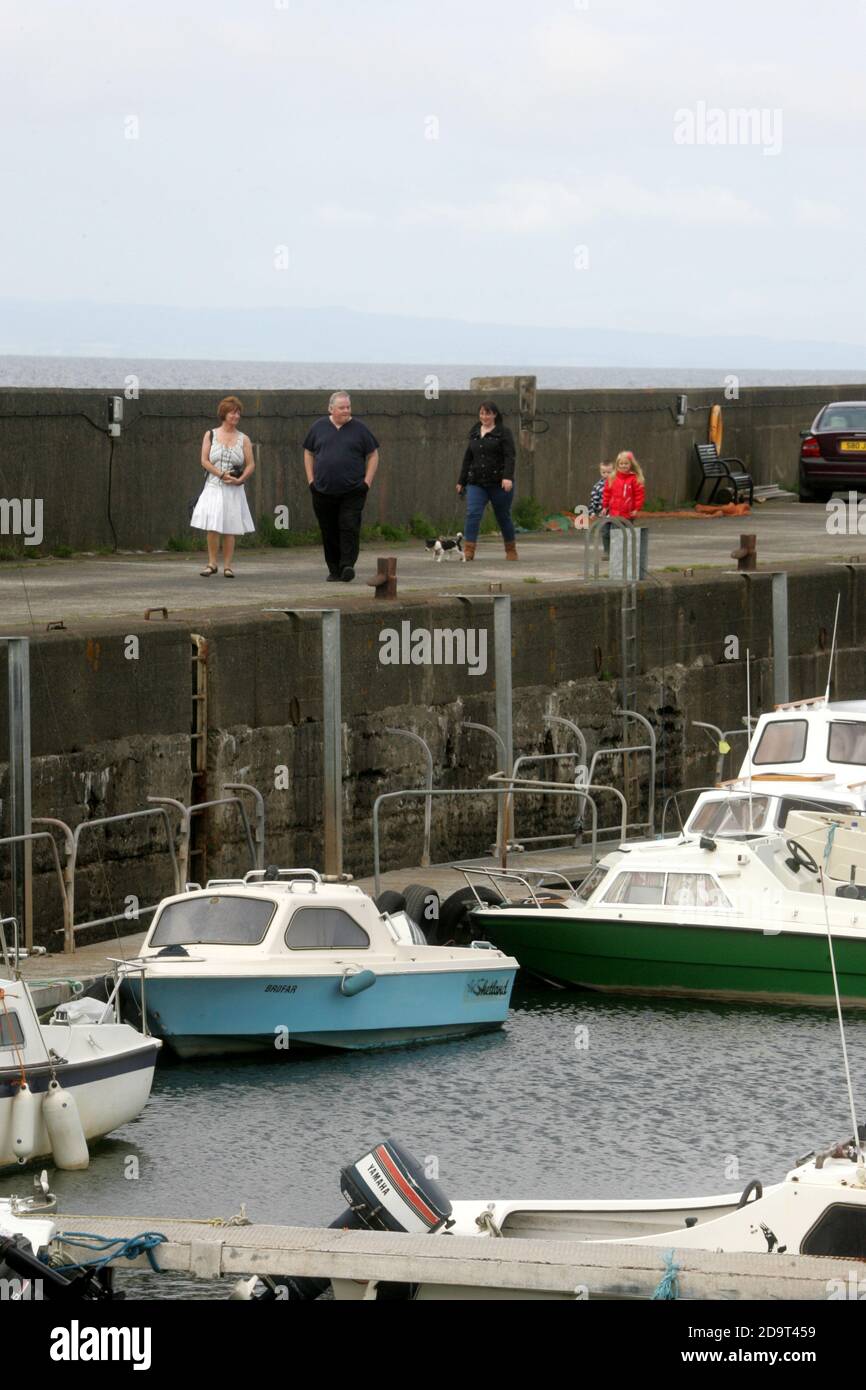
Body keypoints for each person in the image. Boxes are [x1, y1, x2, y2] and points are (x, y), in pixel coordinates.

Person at [303, 391, 379, 582]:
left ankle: (347, 565)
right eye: (342, 408)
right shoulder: (318, 427)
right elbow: (308, 452)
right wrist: (310, 480)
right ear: (331, 409)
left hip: (353, 490)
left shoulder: (360, 429)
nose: (346, 411)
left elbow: (373, 455)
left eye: (348, 407)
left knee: (349, 525)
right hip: (322, 489)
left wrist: (367, 482)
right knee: (328, 529)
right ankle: (334, 568)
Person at [191, 395, 255, 577]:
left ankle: (227, 566)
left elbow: (251, 464)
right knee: (213, 525)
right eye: (232, 413)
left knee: (230, 527)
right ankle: (212, 563)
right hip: (214, 485)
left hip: (233, 488)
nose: (235, 417)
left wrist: (240, 478)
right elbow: (204, 460)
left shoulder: (244, 439)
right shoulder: (210, 434)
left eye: (238, 414)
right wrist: (220, 474)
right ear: (224, 414)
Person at [456, 401, 517, 561]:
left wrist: (507, 477)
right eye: (482, 413)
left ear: (495, 415)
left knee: (503, 516)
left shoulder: (504, 432)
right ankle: (469, 551)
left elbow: (510, 456)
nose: (484, 417)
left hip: (499, 483)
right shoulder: (475, 432)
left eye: (488, 413)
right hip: (476, 482)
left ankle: (510, 549)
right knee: (472, 514)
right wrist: (461, 481)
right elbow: (468, 457)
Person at [600, 450, 645, 558]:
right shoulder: (612, 477)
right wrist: (605, 506)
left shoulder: (634, 478)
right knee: (607, 531)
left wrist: (636, 508)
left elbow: (639, 495)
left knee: (621, 532)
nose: (623, 466)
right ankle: (609, 551)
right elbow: (607, 493)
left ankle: (620, 553)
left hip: (627, 512)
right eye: (621, 464)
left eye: (626, 463)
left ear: (631, 464)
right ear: (617, 464)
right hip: (613, 511)